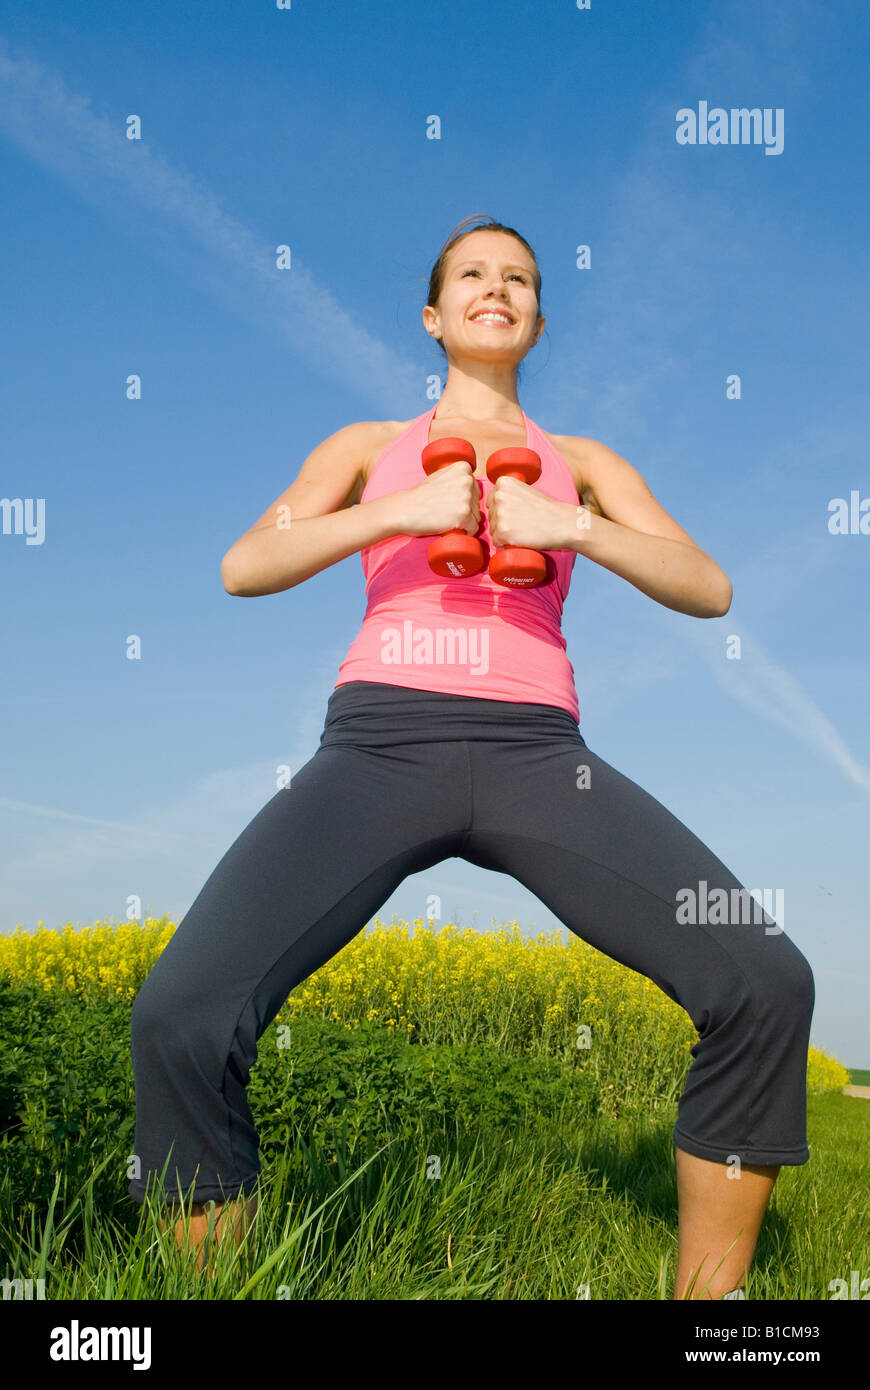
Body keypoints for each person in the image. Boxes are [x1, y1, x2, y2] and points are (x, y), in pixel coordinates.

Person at [128, 214, 815, 1298]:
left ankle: (710, 1319)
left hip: (541, 751)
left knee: (766, 980)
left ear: (538, 317)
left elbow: (708, 585)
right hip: (378, 743)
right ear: (434, 316)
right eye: (473, 276)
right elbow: (244, 562)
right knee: (179, 1014)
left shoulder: (583, 463)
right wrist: (396, 508)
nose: (498, 288)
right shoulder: (362, 447)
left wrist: (575, 525)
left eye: (521, 279)